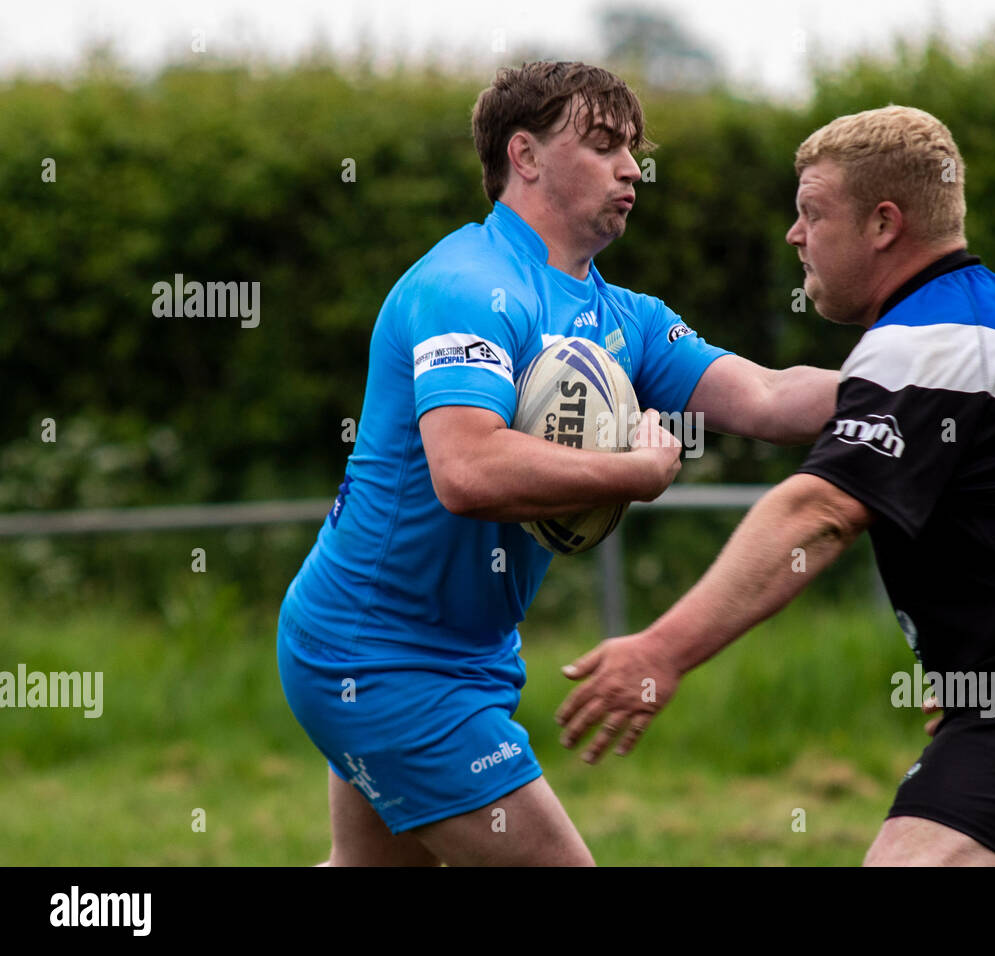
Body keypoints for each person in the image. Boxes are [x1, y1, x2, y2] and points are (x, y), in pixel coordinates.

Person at [557, 105, 995, 867]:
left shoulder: (933, 339)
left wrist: (662, 650)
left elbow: (818, 513)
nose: (794, 235)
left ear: (883, 224)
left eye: (812, 212)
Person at [276, 61, 839, 866]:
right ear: (526, 156)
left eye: (635, 149)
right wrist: (634, 476)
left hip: (460, 651)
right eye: (604, 144)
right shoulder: (467, 285)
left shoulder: (623, 316)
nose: (632, 168)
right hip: (377, 652)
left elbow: (773, 396)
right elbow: (465, 472)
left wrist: (918, 375)